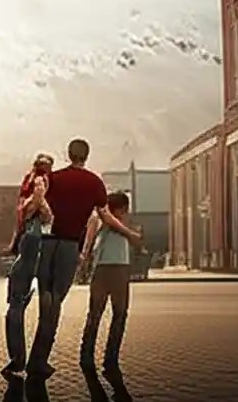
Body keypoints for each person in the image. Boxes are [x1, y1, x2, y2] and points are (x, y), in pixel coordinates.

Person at [16, 138, 143, 381]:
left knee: (46, 296)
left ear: (68, 154)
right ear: (87, 155)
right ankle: (38, 360)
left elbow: (36, 205)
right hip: (69, 247)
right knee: (56, 300)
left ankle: (38, 359)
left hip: (48, 241)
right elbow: (105, 215)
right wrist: (130, 234)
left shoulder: (56, 178)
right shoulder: (95, 183)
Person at [3, 154, 54, 378]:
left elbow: (37, 199)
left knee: (16, 301)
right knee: (48, 304)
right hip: (43, 243)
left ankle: (19, 358)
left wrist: (41, 208)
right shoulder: (41, 179)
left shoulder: (36, 180)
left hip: (32, 242)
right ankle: (37, 360)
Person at [78, 191, 138, 375]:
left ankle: (110, 357)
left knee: (119, 314)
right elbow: (89, 241)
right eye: (124, 209)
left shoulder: (119, 224)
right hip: (105, 269)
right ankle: (87, 354)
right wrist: (85, 258)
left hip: (119, 268)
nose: (125, 213)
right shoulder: (101, 219)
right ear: (120, 208)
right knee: (96, 313)